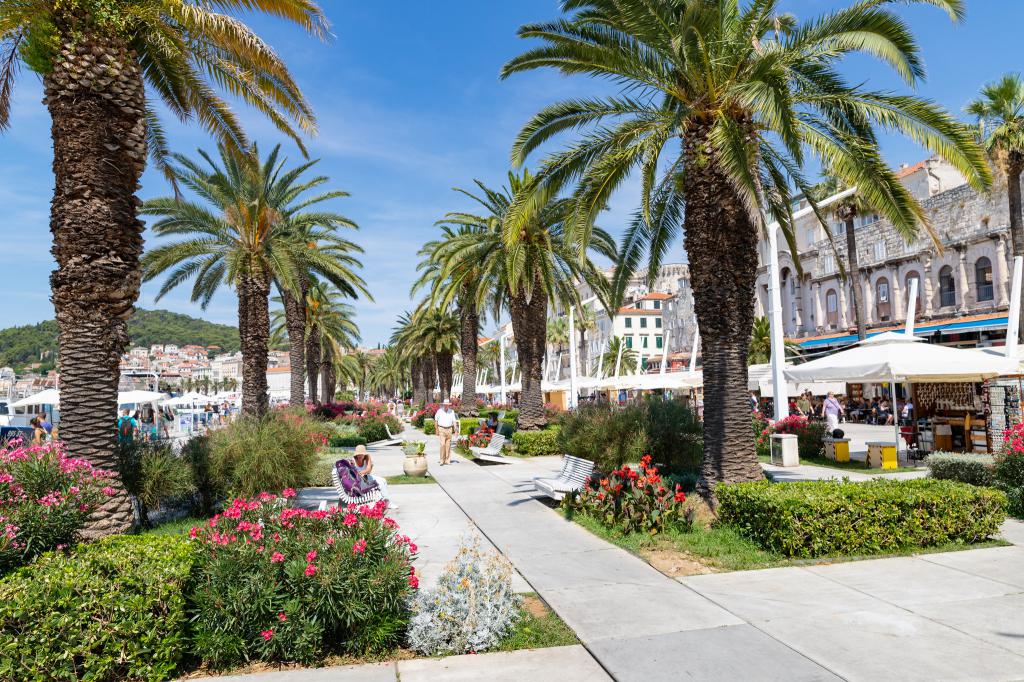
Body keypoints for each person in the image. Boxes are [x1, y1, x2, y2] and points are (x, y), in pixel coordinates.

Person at [352, 444, 396, 509]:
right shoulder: (353, 460)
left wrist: (361, 473)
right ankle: (387, 502)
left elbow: (368, 469)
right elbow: (354, 474)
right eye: (358, 454)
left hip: (367, 477)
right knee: (380, 483)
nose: (360, 456)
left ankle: (386, 501)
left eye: (362, 454)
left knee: (383, 480)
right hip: (359, 481)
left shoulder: (367, 457)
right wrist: (360, 474)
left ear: (364, 454)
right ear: (356, 454)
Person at [434, 398, 458, 465]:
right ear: (443, 405)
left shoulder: (452, 411)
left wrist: (455, 430)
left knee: (448, 445)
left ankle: (447, 460)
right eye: (445, 404)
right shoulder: (439, 411)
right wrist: (436, 429)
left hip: (449, 429)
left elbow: (454, 421)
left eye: (447, 405)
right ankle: (442, 460)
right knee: (442, 445)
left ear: (449, 405)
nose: (446, 406)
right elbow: (436, 420)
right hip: (441, 429)